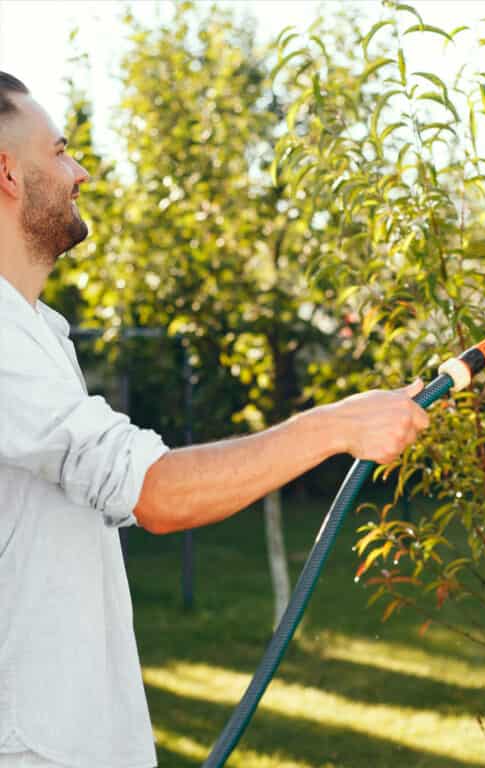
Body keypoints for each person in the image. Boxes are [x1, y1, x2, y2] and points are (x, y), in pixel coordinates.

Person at [0, 72, 429, 768]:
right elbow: (158, 493)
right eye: (61, 151)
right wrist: (335, 426)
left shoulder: (36, 332)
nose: (80, 172)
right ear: (9, 173)